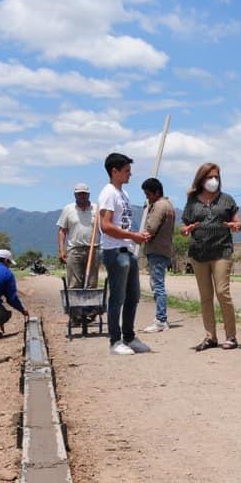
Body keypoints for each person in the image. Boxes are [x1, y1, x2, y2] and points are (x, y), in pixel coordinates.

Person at [180, 163, 241, 350]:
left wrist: (236, 226)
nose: (213, 180)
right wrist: (186, 230)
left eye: (216, 177)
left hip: (222, 251)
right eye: (209, 177)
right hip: (198, 253)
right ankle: (211, 337)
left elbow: (238, 223)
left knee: (222, 292)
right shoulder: (192, 202)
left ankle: (231, 336)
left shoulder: (227, 199)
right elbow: (183, 226)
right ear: (201, 180)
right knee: (206, 296)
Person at [98, 152, 152, 355]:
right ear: (115, 171)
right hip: (115, 250)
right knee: (117, 297)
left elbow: (122, 224)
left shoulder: (124, 194)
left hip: (128, 249)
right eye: (127, 170)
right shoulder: (109, 193)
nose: (130, 174)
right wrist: (132, 235)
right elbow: (105, 226)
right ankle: (115, 340)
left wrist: (136, 236)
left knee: (133, 296)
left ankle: (129, 337)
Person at [141, 177, 176, 334]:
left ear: (156, 192)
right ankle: (161, 318)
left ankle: (161, 319)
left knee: (158, 286)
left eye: (148, 195)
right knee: (156, 284)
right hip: (163, 249)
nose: (147, 198)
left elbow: (151, 228)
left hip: (157, 250)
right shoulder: (168, 205)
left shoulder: (159, 206)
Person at [57, 183, 100, 289]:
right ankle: (74, 300)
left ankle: (90, 300)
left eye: (84, 194)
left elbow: (104, 228)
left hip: (93, 249)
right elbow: (62, 231)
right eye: (79, 194)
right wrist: (62, 250)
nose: (82, 196)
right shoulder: (68, 209)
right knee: (74, 284)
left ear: (88, 194)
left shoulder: (97, 209)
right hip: (74, 250)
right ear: (75, 195)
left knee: (91, 284)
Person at [0, 249, 29, 337]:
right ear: (6, 260)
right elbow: (12, 299)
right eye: (9, 263)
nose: (9, 266)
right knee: (6, 314)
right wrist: (22, 309)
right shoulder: (7, 273)